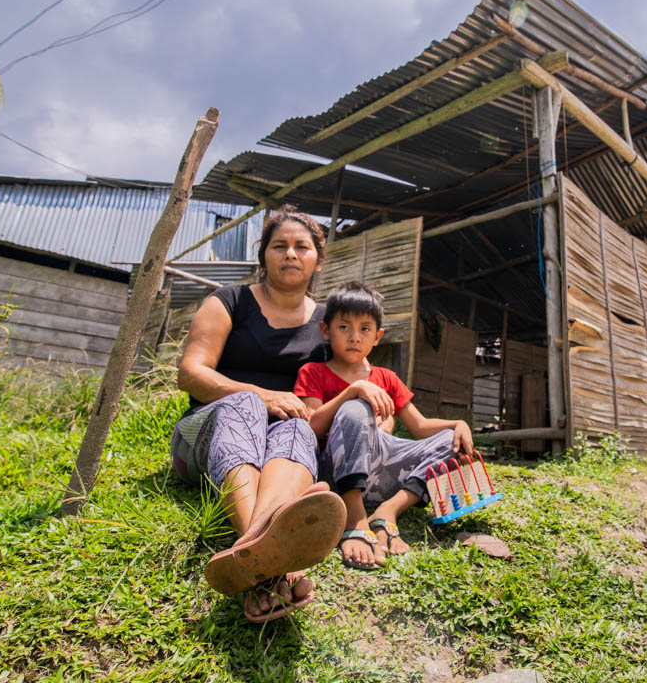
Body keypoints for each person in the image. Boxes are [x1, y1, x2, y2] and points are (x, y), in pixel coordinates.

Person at [171, 206, 346, 622]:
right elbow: (189, 373)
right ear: (263, 254)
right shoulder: (228, 300)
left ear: (317, 261)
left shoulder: (326, 323)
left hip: (278, 451)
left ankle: (257, 558)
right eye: (279, 245)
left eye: (301, 247)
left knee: (297, 423)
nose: (290, 254)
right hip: (205, 437)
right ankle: (277, 557)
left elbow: (342, 380)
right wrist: (262, 394)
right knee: (246, 403)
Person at [294, 281, 474, 570]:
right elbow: (311, 426)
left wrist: (458, 423)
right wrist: (354, 391)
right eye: (344, 327)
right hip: (336, 473)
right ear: (326, 331)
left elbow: (420, 425)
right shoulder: (313, 372)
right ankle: (354, 517)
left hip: (385, 475)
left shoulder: (387, 378)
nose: (354, 337)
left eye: (364, 329)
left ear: (377, 337)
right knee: (355, 408)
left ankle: (389, 510)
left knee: (450, 441)